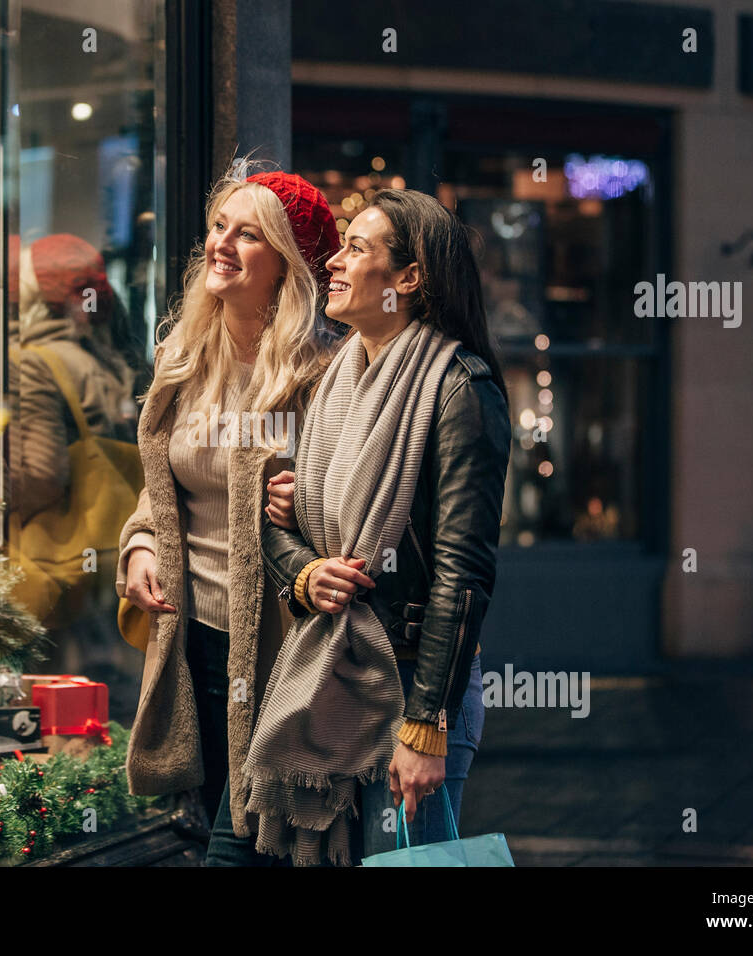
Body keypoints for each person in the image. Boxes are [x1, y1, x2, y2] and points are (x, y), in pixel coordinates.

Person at [245, 189, 511, 866]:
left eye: (356, 249)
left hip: (411, 682)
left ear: (409, 278)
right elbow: (277, 522)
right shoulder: (335, 381)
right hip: (328, 670)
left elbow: (463, 571)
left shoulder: (459, 388)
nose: (334, 261)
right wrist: (304, 572)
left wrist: (427, 724)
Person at [115, 168, 340, 846]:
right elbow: (163, 485)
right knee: (220, 824)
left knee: (256, 840)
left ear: (287, 263)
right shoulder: (185, 357)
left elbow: (358, 503)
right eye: (220, 227)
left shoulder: (324, 373)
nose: (223, 245)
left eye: (249, 235)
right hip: (195, 639)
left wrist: (309, 499)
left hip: (282, 650)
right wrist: (141, 543)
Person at [7, 234, 143, 709]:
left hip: (62, 567)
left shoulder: (31, 363)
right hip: (112, 555)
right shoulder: (105, 361)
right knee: (110, 695)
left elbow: (42, 473)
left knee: (58, 703)